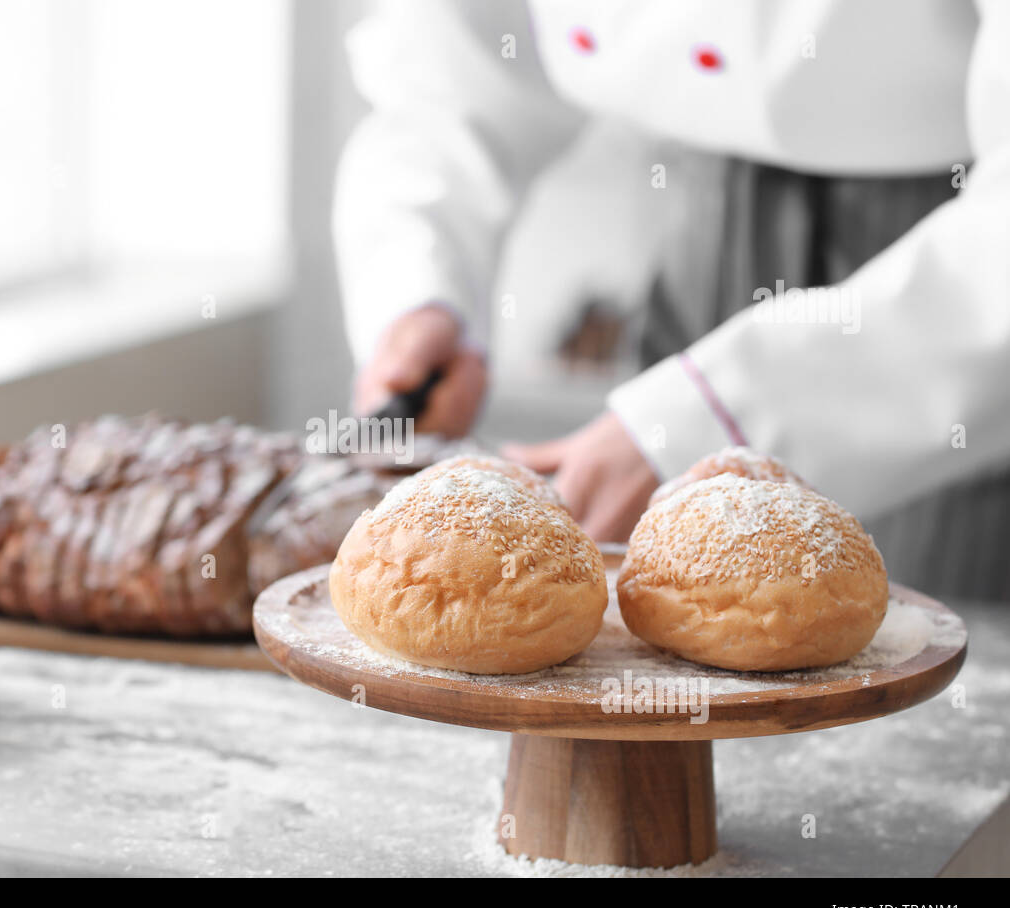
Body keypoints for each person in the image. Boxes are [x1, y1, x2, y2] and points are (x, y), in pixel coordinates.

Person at [334, 0, 1010, 598]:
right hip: (693, 253)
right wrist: (422, 286)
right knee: (660, 668)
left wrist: (706, 424)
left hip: (943, 318)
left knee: (920, 678)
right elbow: (453, 76)